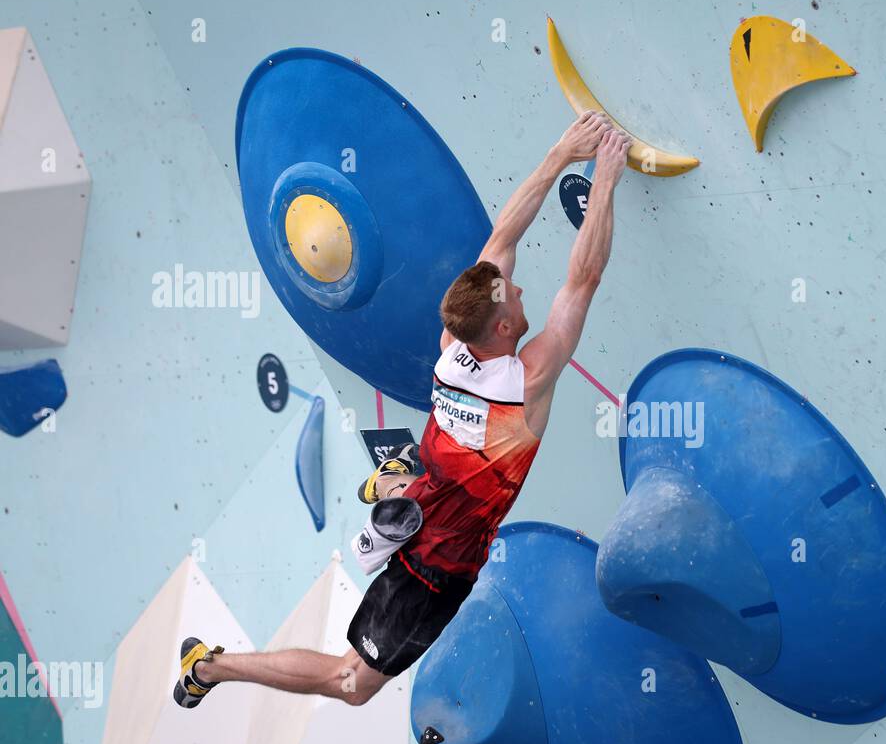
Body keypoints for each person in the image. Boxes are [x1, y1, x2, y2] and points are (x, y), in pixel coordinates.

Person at [175, 112, 631, 709]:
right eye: (514, 296)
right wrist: (605, 172)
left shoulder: (453, 348)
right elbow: (583, 278)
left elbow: (511, 245)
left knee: (436, 488)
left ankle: (398, 483)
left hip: (437, 515)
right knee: (351, 684)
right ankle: (211, 667)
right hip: (433, 567)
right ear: (501, 325)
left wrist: (562, 153)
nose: (521, 291)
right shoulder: (525, 383)